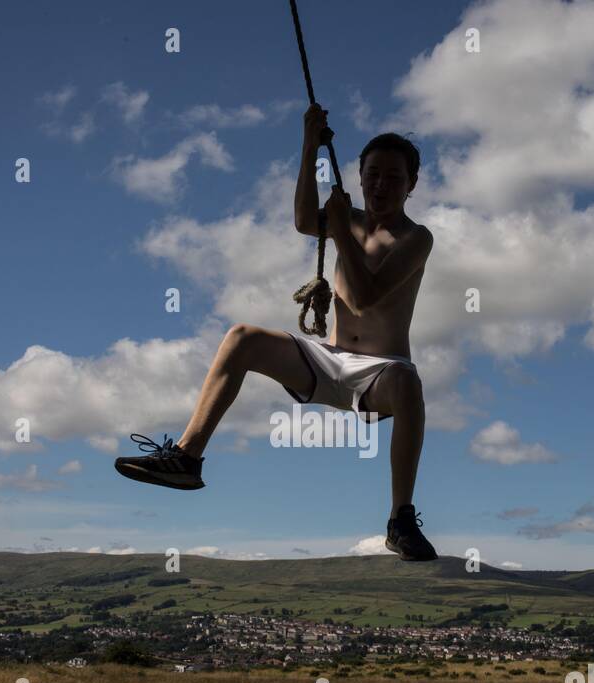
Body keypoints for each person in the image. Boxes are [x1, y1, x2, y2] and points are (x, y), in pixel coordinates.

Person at [115, 103, 437, 561]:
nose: (381, 185)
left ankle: (400, 519)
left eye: (394, 177)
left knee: (410, 382)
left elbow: (367, 296)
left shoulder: (416, 238)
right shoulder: (349, 221)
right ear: (360, 176)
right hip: (328, 360)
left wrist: (342, 228)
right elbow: (306, 220)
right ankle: (187, 458)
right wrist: (309, 147)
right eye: (373, 174)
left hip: (381, 374)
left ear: (412, 184)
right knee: (241, 337)